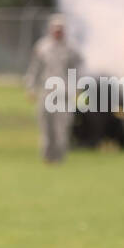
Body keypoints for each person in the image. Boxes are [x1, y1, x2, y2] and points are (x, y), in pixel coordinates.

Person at [24, 14, 83, 163]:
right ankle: (47, 158)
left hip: (64, 94)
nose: (58, 32)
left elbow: (78, 71)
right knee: (46, 127)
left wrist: (78, 89)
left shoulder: (71, 49)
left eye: (60, 29)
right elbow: (34, 69)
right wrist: (31, 87)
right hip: (46, 93)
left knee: (61, 128)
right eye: (55, 29)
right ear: (50, 30)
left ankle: (59, 158)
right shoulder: (42, 47)